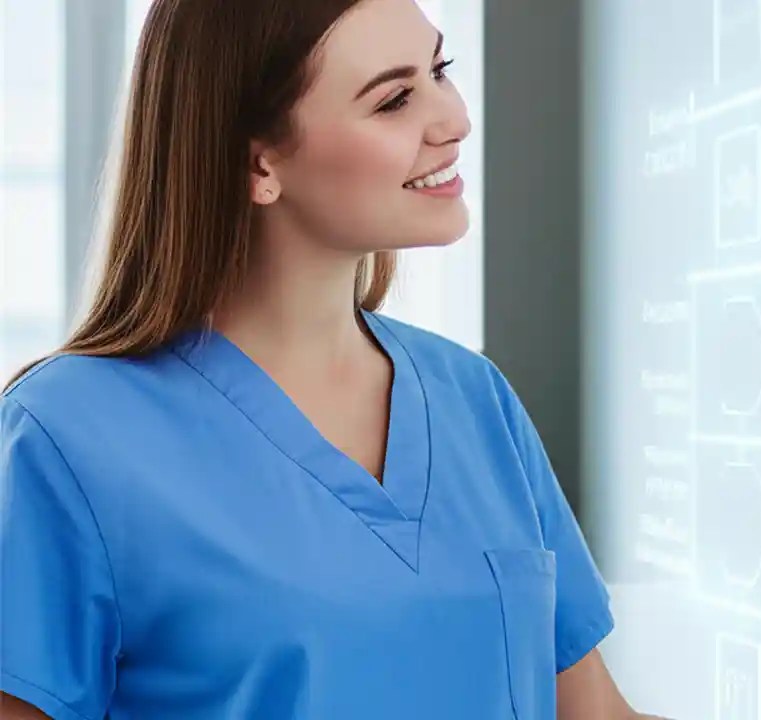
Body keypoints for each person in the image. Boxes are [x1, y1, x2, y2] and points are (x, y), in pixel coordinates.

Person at [0, 0, 663, 717]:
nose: (454, 120)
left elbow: (595, 713)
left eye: (440, 70)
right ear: (259, 163)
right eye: (395, 99)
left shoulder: (476, 399)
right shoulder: (66, 435)